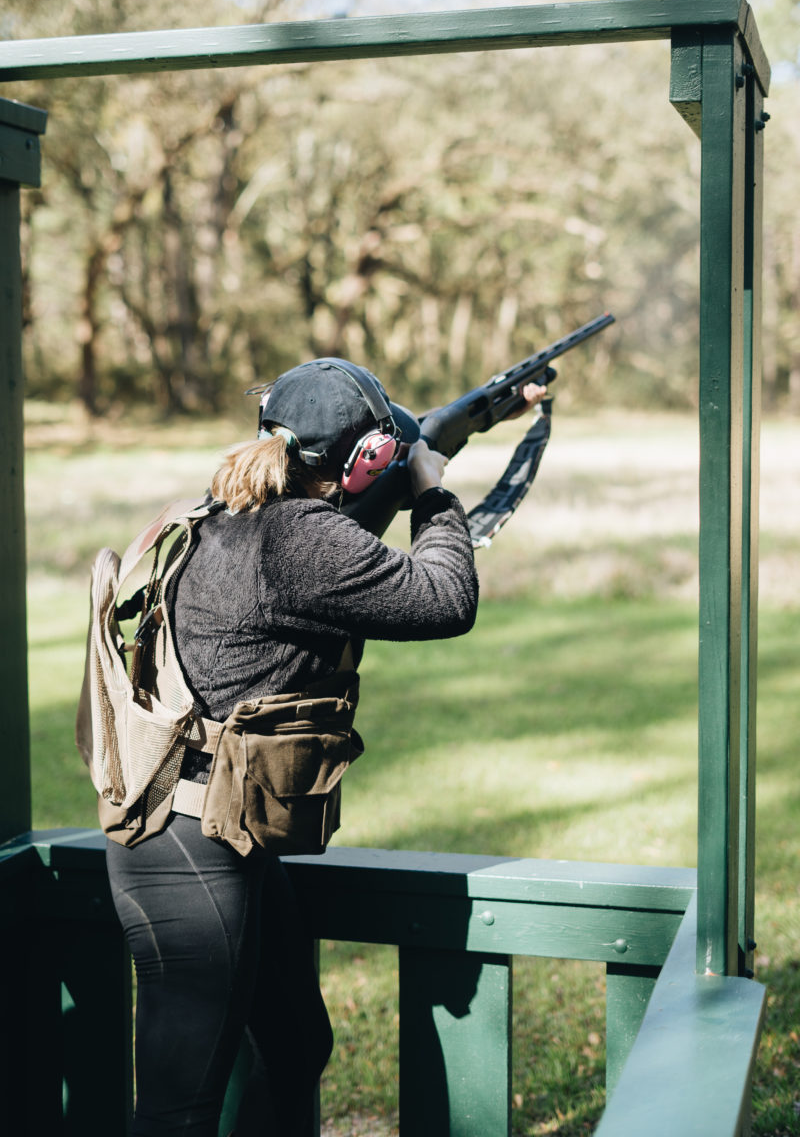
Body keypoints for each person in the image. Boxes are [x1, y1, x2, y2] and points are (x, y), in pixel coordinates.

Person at [103, 357, 546, 1137]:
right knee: (179, 1106)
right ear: (364, 460)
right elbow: (447, 598)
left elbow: (409, 446)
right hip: (189, 847)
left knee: (296, 1045)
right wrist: (435, 490)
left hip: (208, 831)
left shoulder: (234, 509)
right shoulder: (302, 539)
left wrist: (481, 416)